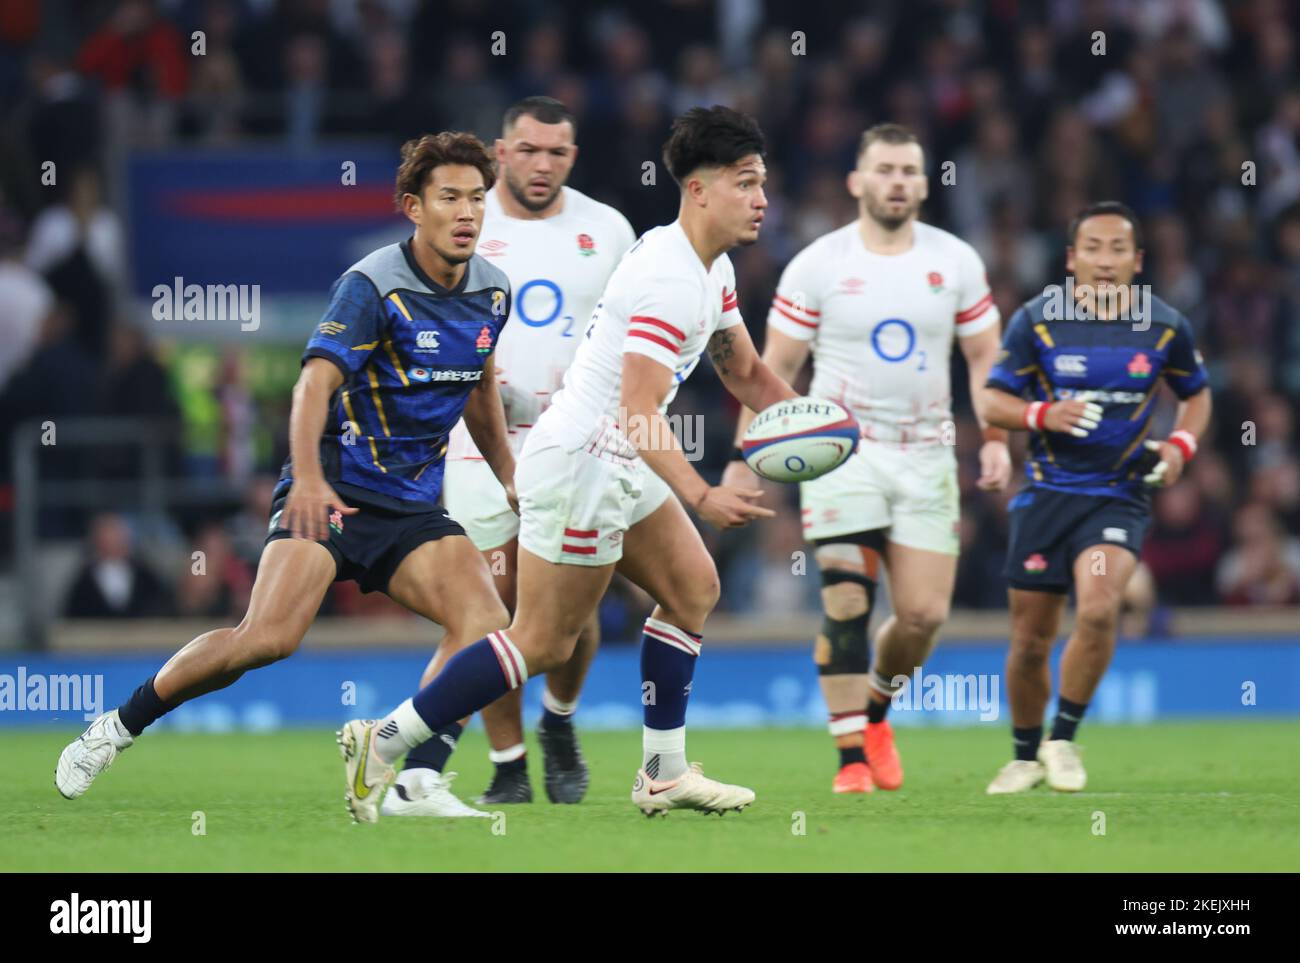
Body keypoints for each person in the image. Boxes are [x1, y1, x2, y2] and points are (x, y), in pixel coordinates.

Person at [339, 105, 800, 822]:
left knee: (693, 588)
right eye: (746, 183)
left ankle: (662, 771)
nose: (762, 198)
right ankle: (384, 737)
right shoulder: (670, 281)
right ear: (701, 189)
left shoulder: (712, 269)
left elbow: (744, 372)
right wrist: (703, 495)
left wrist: (822, 422)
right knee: (544, 640)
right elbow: (640, 408)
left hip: (617, 457)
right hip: (584, 460)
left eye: (763, 183)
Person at [56, 132, 516, 821]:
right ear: (413, 207)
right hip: (334, 484)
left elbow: (477, 387)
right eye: (449, 196)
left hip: (413, 504)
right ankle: (117, 725)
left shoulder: (493, 290)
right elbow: (312, 385)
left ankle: (409, 773)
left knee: (485, 621)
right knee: (266, 638)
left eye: (477, 198)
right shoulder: (371, 285)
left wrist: (508, 473)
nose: (467, 212)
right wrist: (306, 477)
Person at [724, 123, 1010, 794]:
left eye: (909, 170)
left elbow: (983, 359)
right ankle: (850, 757)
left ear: (923, 181)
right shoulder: (819, 263)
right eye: (884, 169)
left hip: (927, 451)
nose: (898, 181)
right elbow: (775, 367)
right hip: (842, 449)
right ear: (858, 181)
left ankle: (877, 710)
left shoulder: (957, 261)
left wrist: (996, 436)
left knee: (921, 616)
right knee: (847, 596)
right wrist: (742, 457)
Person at [397, 97, 636, 810]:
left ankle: (559, 721)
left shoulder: (608, 230)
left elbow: (635, 332)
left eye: (557, 152)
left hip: (577, 438)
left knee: (569, 613)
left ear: (573, 157)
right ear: (500, 152)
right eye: (527, 150)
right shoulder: (467, 220)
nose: (542, 164)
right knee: (492, 605)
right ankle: (507, 762)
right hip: (477, 440)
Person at [981, 201, 1212, 794]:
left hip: (1119, 494)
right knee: (1030, 641)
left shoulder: (1165, 326)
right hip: (1046, 497)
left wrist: (1181, 446)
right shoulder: (1036, 321)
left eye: (1117, 250)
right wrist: (1043, 412)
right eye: (1092, 248)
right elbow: (993, 403)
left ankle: (1063, 739)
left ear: (1136, 261)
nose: (1104, 261)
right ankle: (1025, 755)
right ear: (1071, 258)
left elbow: (1197, 394)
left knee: (1101, 606)